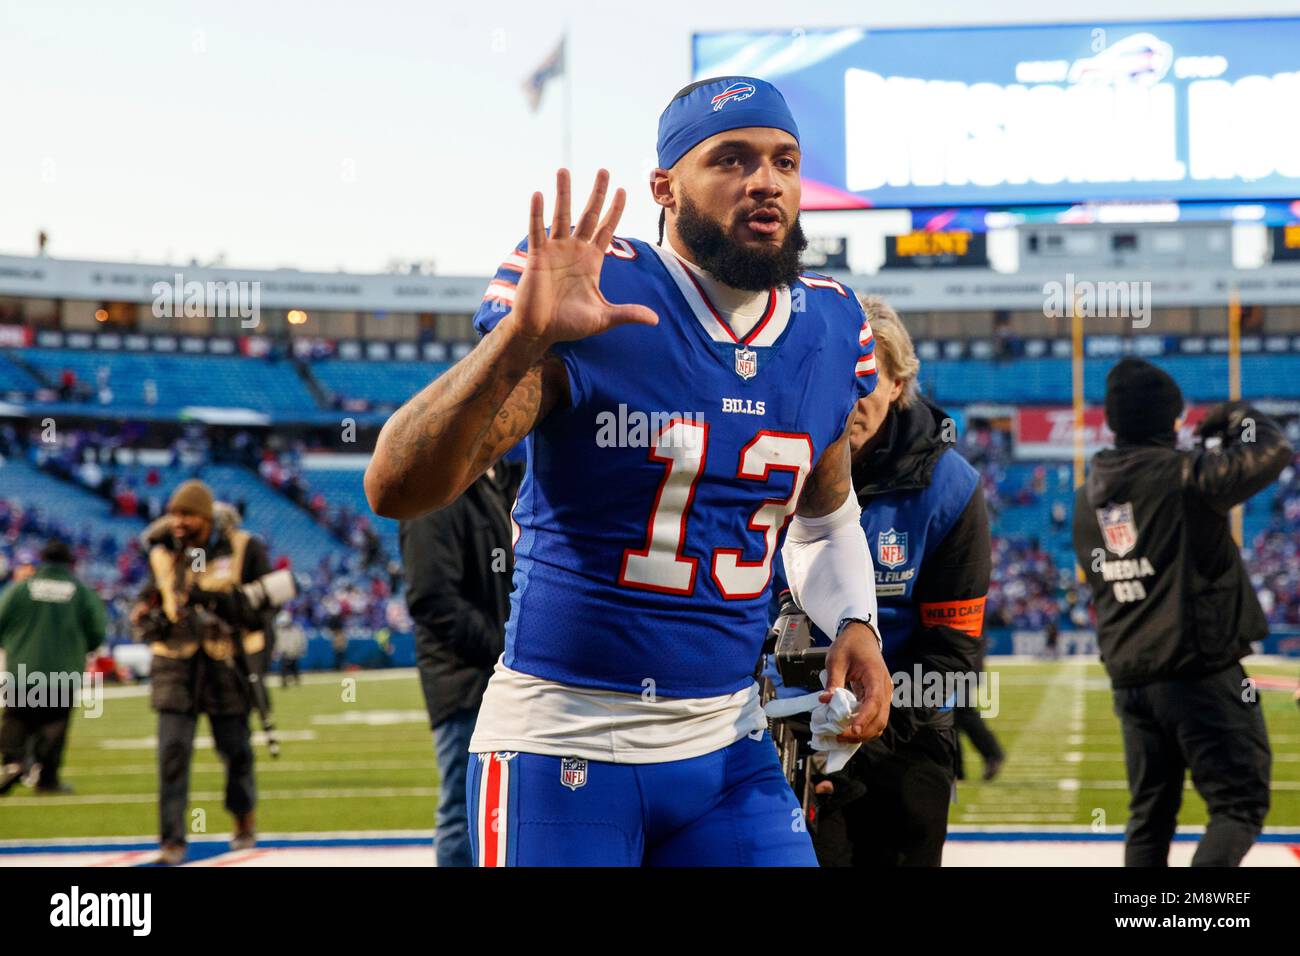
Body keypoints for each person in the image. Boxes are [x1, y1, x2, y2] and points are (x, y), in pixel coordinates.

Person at [366, 76, 891, 867]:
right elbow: (396, 488)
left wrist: (857, 623)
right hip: (561, 743)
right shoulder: (601, 290)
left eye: (784, 161)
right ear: (664, 187)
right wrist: (519, 340)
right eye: (731, 159)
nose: (765, 181)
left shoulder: (829, 325)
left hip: (727, 748)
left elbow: (824, 519)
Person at [791, 303, 992, 866]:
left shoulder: (949, 488)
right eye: (836, 379)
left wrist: (858, 733)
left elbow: (953, 657)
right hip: (788, 727)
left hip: (905, 736)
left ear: (899, 383)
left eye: (864, 381)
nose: (847, 398)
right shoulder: (781, 463)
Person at [1072, 358, 1292, 867]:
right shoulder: (1185, 477)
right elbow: (1274, 449)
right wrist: (1239, 414)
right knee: (1239, 805)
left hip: (1131, 679)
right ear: (1172, 420)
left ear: (1113, 423)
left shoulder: (1087, 498)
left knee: (1149, 817)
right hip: (1197, 669)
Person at [132, 480, 274, 865]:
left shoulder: (245, 547)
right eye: (174, 513)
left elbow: (264, 609)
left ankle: (243, 821)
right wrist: (145, 614)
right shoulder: (162, 552)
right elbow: (150, 596)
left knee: (236, 751)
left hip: (225, 662)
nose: (177, 521)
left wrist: (212, 600)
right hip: (175, 662)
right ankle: (172, 841)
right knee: (172, 752)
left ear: (206, 517)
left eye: (186, 514)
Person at [400, 462, 522, 867]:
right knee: (463, 808)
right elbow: (432, 599)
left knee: (504, 807)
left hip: (497, 675)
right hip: (466, 681)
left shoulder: (496, 479)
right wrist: (503, 649)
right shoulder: (435, 488)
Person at [0, 540, 106, 796]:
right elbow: (97, 631)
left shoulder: (21, 589)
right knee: (53, 727)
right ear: (70, 563)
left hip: (23, 671)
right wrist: (80, 649)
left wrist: (13, 646)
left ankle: (11, 765)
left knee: (17, 720)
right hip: (62, 673)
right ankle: (47, 779)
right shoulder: (81, 593)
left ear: (42, 561)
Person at [274, 610, 306, 687]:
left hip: (293, 652)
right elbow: (277, 642)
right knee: (283, 669)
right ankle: (284, 682)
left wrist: (300, 649)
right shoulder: (278, 631)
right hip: (284, 652)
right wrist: (277, 650)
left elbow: (300, 640)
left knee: (295, 668)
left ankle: (296, 681)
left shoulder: (296, 629)